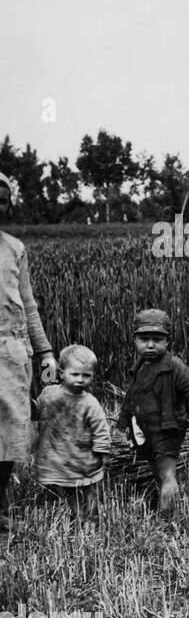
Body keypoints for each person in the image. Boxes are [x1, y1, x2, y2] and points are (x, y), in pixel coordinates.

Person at [0, 172, 57, 536]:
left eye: (3, 200)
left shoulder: (14, 248)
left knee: (12, 429)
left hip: (10, 351)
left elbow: (29, 306)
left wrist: (45, 352)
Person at [117, 310, 189, 517]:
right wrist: (124, 422)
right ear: (135, 340)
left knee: (167, 473)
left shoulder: (175, 367)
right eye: (144, 339)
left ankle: (166, 518)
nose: (150, 345)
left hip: (168, 429)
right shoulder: (138, 367)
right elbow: (131, 397)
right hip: (145, 430)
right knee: (157, 472)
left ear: (167, 342)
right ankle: (170, 505)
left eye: (157, 340)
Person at [33, 344, 112, 517]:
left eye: (86, 375)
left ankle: (92, 516)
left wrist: (103, 452)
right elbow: (37, 412)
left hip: (85, 459)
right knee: (69, 488)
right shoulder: (49, 394)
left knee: (91, 487)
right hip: (63, 458)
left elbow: (101, 429)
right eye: (75, 374)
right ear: (61, 373)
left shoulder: (90, 403)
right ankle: (78, 515)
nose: (80, 379)